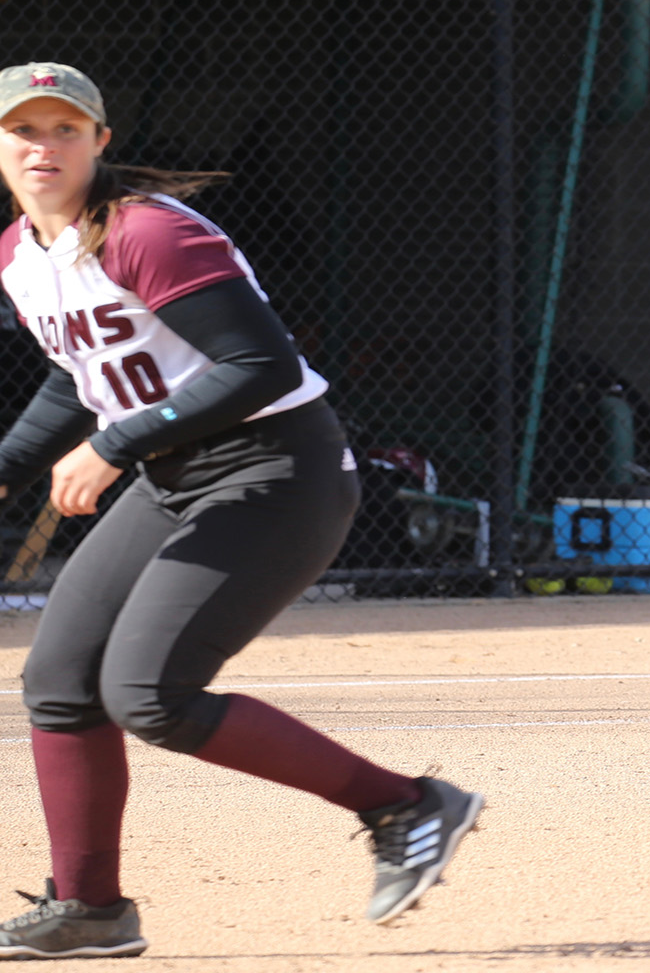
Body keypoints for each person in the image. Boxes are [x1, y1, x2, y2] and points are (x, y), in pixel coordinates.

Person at [0, 63, 482, 960]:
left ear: (100, 143)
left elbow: (258, 367)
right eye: (23, 130)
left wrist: (111, 447)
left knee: (150, 695)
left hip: (276, 471)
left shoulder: (150, 233)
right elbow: (83, 376)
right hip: (175, 473)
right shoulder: (20, 253)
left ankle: (406, 805)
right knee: (62, 681)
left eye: (64, 129)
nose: (43, 146)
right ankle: (90, 909)